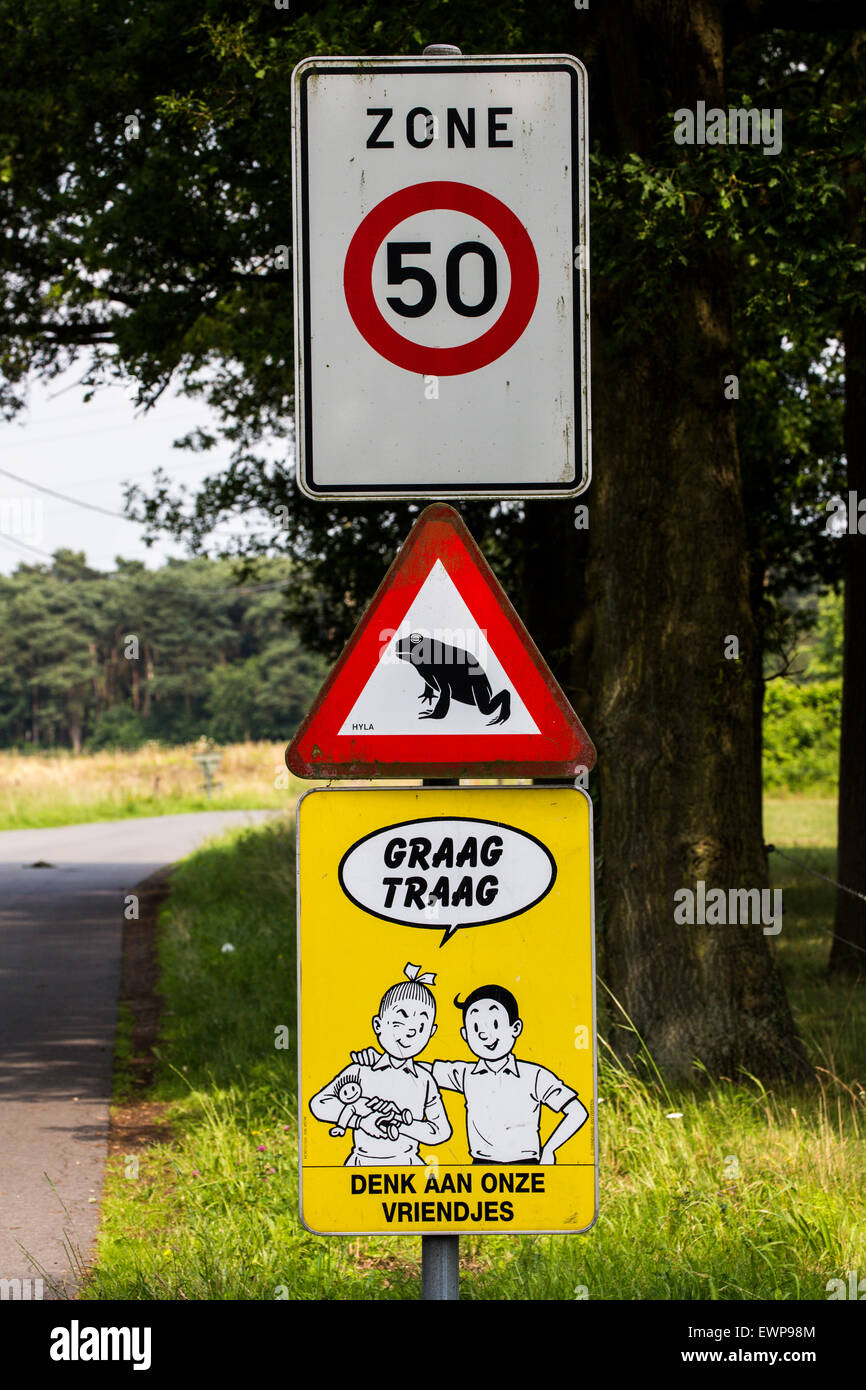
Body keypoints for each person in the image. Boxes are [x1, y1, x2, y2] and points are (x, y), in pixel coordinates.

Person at [352, 983, 588, 1165]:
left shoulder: (534, 1076)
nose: (485, 1034)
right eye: (476, 1028)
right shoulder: (465, 1074)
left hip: (527, 1168)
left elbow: (577, 1111)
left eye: (494, 1024)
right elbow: (416, 1066)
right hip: (480, 1169)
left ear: (515, 1028)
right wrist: (376, 1059)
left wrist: (550, 1149)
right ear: (465, 1034)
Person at [310, 963, 451, 1166]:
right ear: (378, 1025)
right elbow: (319, 1104)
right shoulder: (360, 1069)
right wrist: (360, 1121)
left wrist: (400, 1123)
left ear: (431, 1032)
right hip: (361, 1165)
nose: (410, 1033)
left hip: (408, 1166)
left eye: (420, 1027)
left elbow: (440, 1131)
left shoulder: (423, 1079)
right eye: (399, 1022)